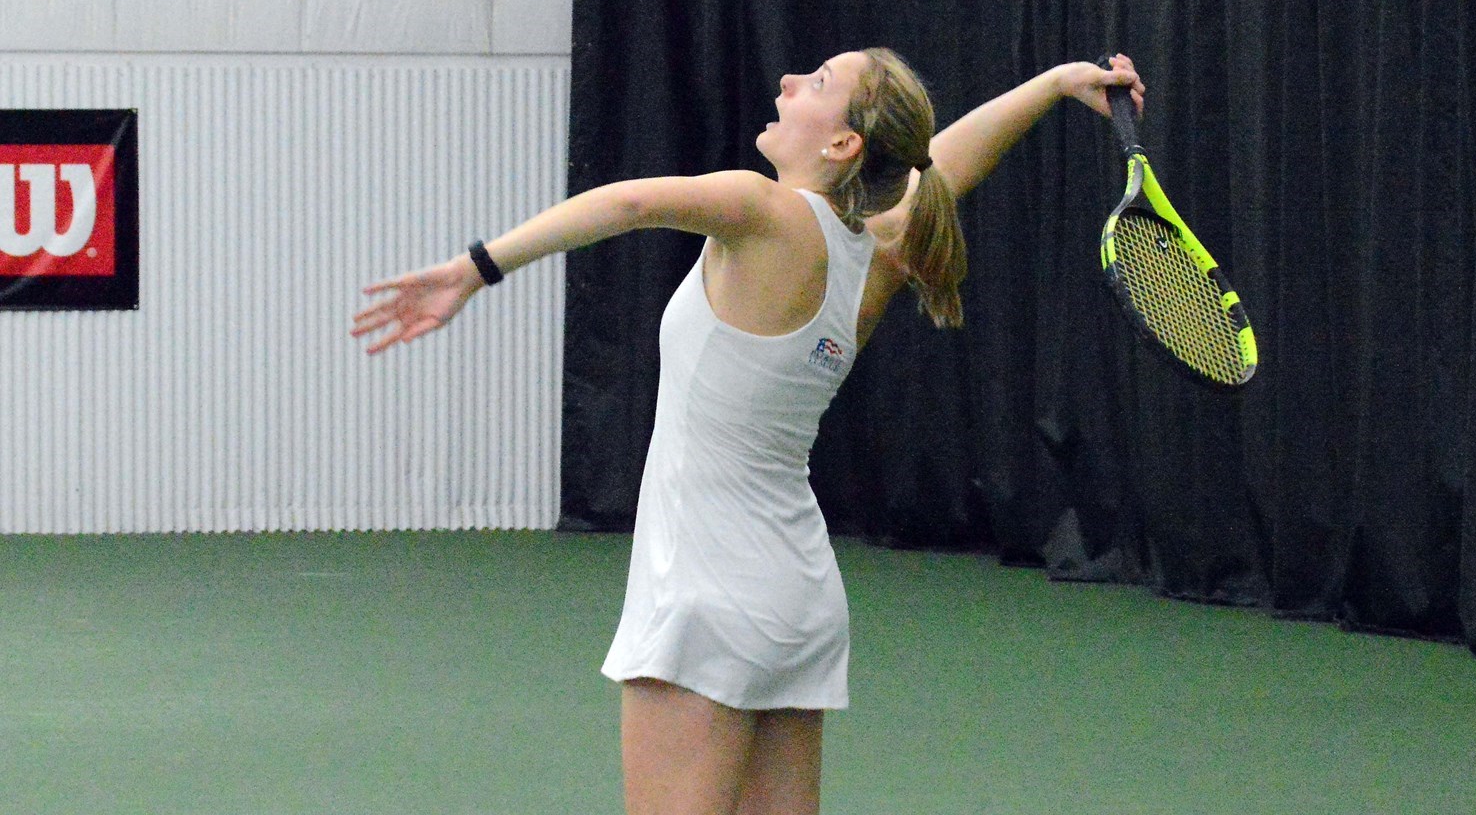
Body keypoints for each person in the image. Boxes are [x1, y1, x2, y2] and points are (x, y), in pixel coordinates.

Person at [352, 49, 1143, 815]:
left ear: (843, 143)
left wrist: (477, 266)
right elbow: (946, 165)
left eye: (819, 82)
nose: (790, 81)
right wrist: (1052, 84)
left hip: (707, 600)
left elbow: (628, 204)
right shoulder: (877, 255)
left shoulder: (761, 209)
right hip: (795, 599)